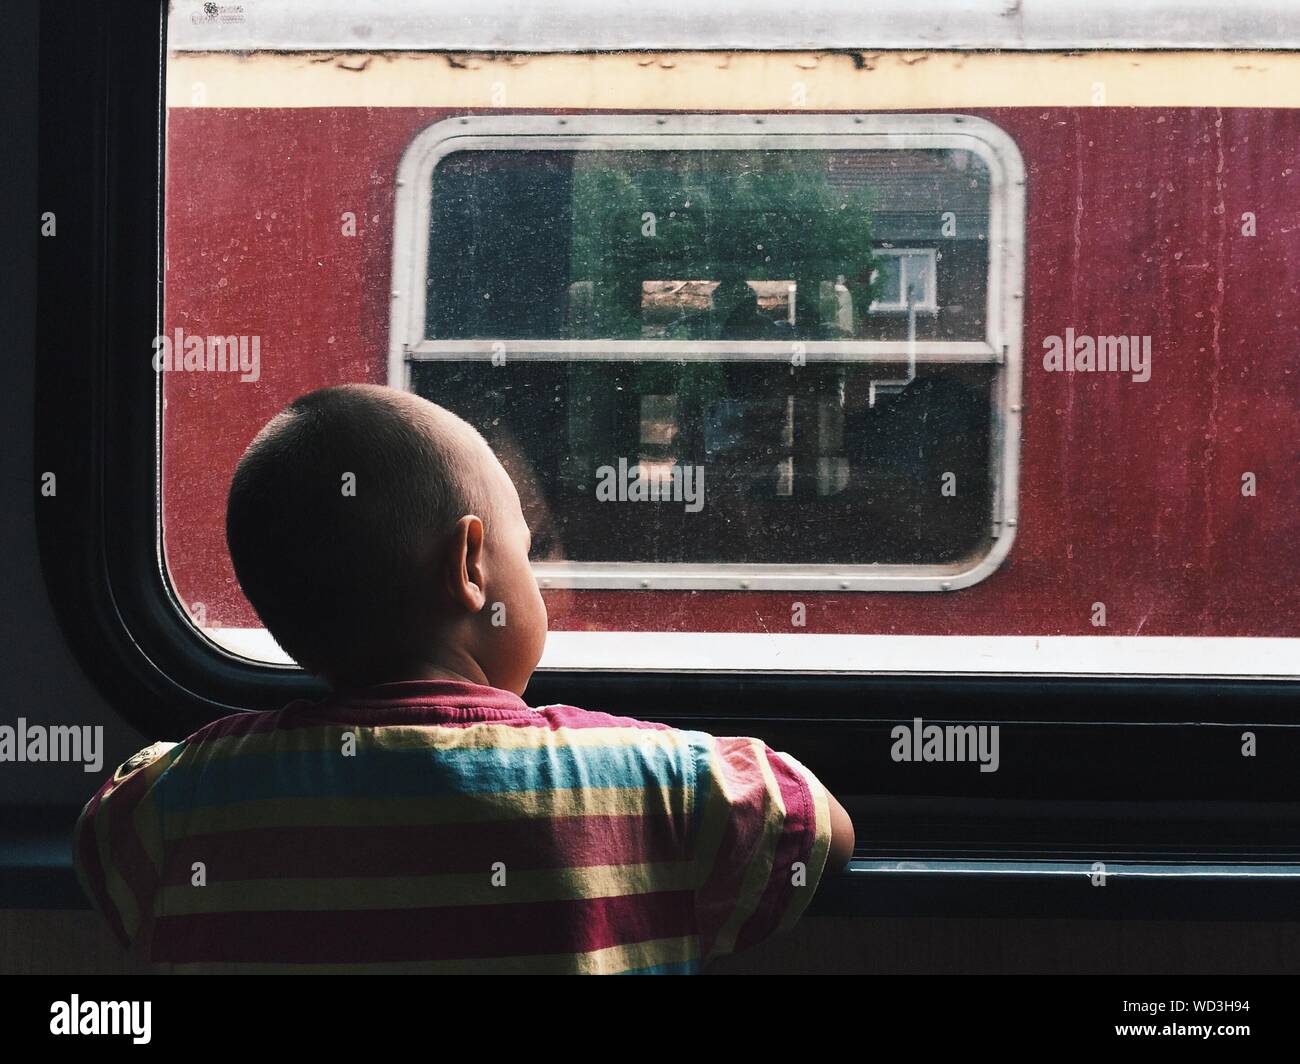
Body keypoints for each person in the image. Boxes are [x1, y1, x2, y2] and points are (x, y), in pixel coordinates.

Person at [74, 384, 854, 973]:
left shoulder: (172, 806)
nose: (543, 578)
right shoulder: (652, 784)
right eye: (530, 548)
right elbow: (816, 826)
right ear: (470, 564)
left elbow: (103, 851)